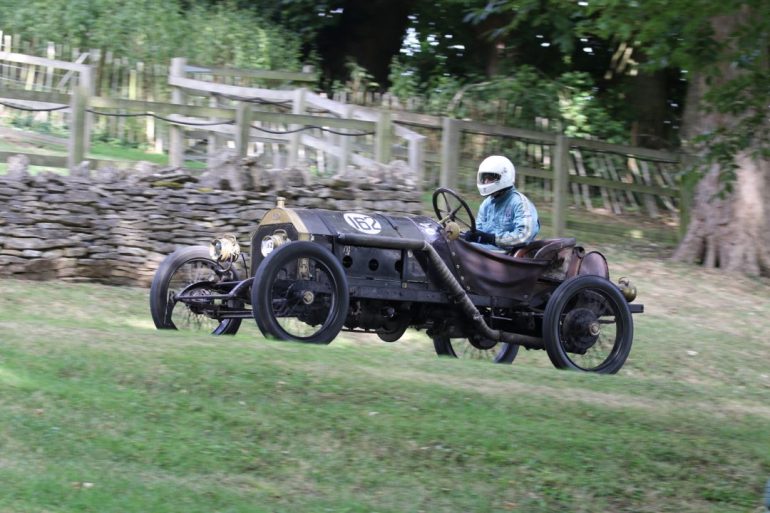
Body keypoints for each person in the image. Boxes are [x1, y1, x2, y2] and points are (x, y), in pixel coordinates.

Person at [463, 155, 540, 251]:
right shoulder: (486, 204)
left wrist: (492, 238)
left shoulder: (520, 203)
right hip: (487, 252)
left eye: (490, 178)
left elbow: (524, 235)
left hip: (508, 256)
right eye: (484, 178)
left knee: (465, 249)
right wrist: (473, 236)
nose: (486, 181)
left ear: (504, 177)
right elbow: (480, 232)